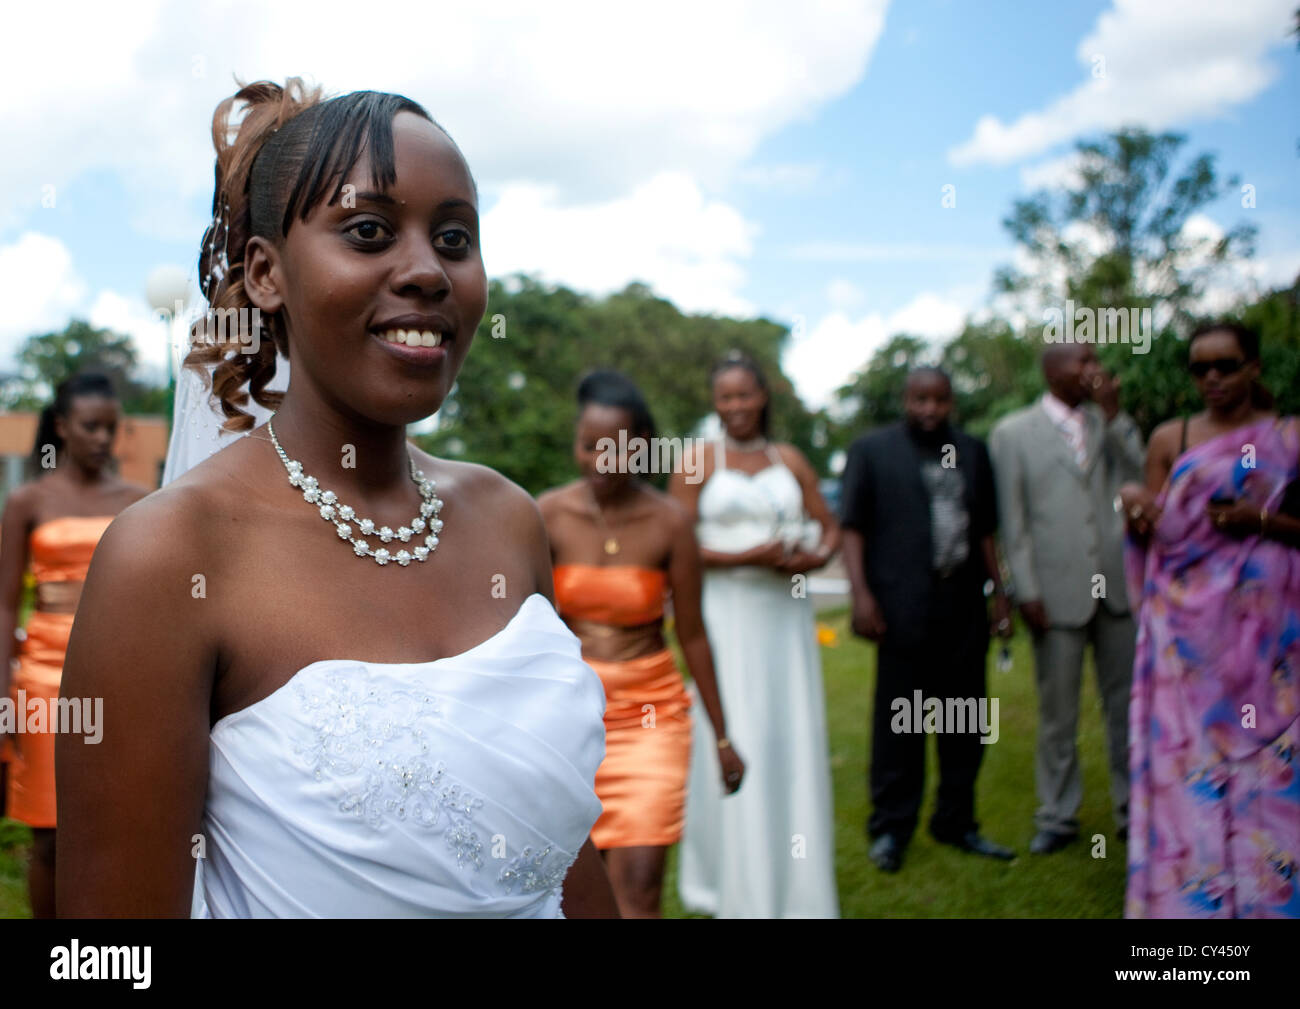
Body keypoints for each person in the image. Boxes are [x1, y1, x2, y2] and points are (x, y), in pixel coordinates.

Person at [55, 79, 618, 918]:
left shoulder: (507, 519)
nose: (427, 270)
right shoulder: (171, 557)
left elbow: (556, 847)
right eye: (369, 232)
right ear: (266, 274)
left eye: (456, 237)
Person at [539, 370, 744, 918]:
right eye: (588, 446)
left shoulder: (670, 523)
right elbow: (523, 631)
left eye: (615, 448)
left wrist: (723, 736)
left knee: (641, 887)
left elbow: (695, 633)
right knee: (574, 888)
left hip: (650, 717)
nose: (599, 460)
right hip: (568, 721)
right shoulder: (547, 515)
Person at [1119, 320, 1300, 918]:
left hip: (1273, 630)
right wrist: (1137, 515)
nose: (1213, 379)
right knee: (1192, 758)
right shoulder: (1171, 438)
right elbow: (1160, 534)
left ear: (1254, 367)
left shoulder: (1289, 436)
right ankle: (1192, 903)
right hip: (1187, 637)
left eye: (1225, 365)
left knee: (1271, 757)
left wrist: (1262, 521)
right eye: (1201, 368)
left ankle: (1267, 897)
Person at [670, 350, 840, 918]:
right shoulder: (698, 461)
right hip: (727, 617)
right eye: (726, 397)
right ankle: (731, 881)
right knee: (735, 728)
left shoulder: (787, 458)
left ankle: (796, 884)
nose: (736, 406)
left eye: (745, 394)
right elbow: (677, 548)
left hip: (785, 615)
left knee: (787, 731)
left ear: (763, 396)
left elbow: (831, 525)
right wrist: (747, 555)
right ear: (715, 402)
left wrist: (814, 559)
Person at [841, 367, 1015, 873]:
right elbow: (851, 527)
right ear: (905, 398)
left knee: (965, 721)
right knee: (900, 724)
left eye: (939, 400)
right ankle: (891, 829)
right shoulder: (872, 452)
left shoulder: (972, 451)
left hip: (961, 608)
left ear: (951, 402)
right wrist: (861, 596)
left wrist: (1000, 595)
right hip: (900, 610)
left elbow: (984, 530)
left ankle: (957, 821)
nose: (929, 410)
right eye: (919, 399)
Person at [0, 373, 149, 917]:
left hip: (119, 672)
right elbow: (3, 606)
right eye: (90, 427)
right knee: (51, 836)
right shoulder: (28, 500)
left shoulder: (141, 500)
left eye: (112, 429)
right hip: (42, 681)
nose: (103, 440)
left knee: (119, 825)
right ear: (62, 428)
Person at [989, 343, 1144, 854]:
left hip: (1116, 588)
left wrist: (1117, 417)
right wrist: (1025, 591)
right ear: (1054, 371)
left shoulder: (1108, 424)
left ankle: (1133, 808)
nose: (1096, 371)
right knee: (1058, 712)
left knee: (1126, 705)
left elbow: (1143, 477)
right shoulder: (1013, 433)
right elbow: (1014, 523)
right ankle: (1056, 814)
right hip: (1054, 594)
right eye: (1086, 362)